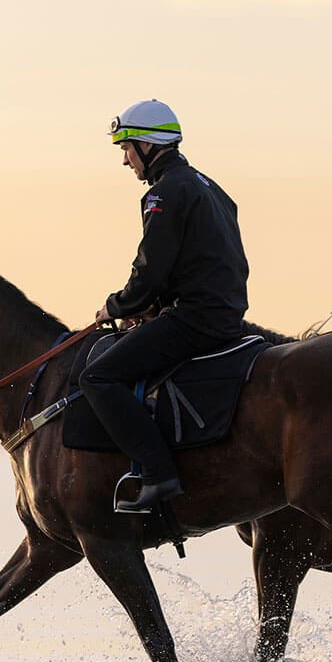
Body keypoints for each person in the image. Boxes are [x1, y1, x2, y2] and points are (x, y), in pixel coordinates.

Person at [81, 99, 250, 512]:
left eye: (127, 148)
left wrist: (117, 306)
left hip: (194, 320)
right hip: (225, 314)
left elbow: (151, 270)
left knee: (97, 377)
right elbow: (193, 262)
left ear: (147, 145)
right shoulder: (210, 186)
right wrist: (151, 308)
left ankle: (158, 475)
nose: (125, 160)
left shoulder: (163, 193)